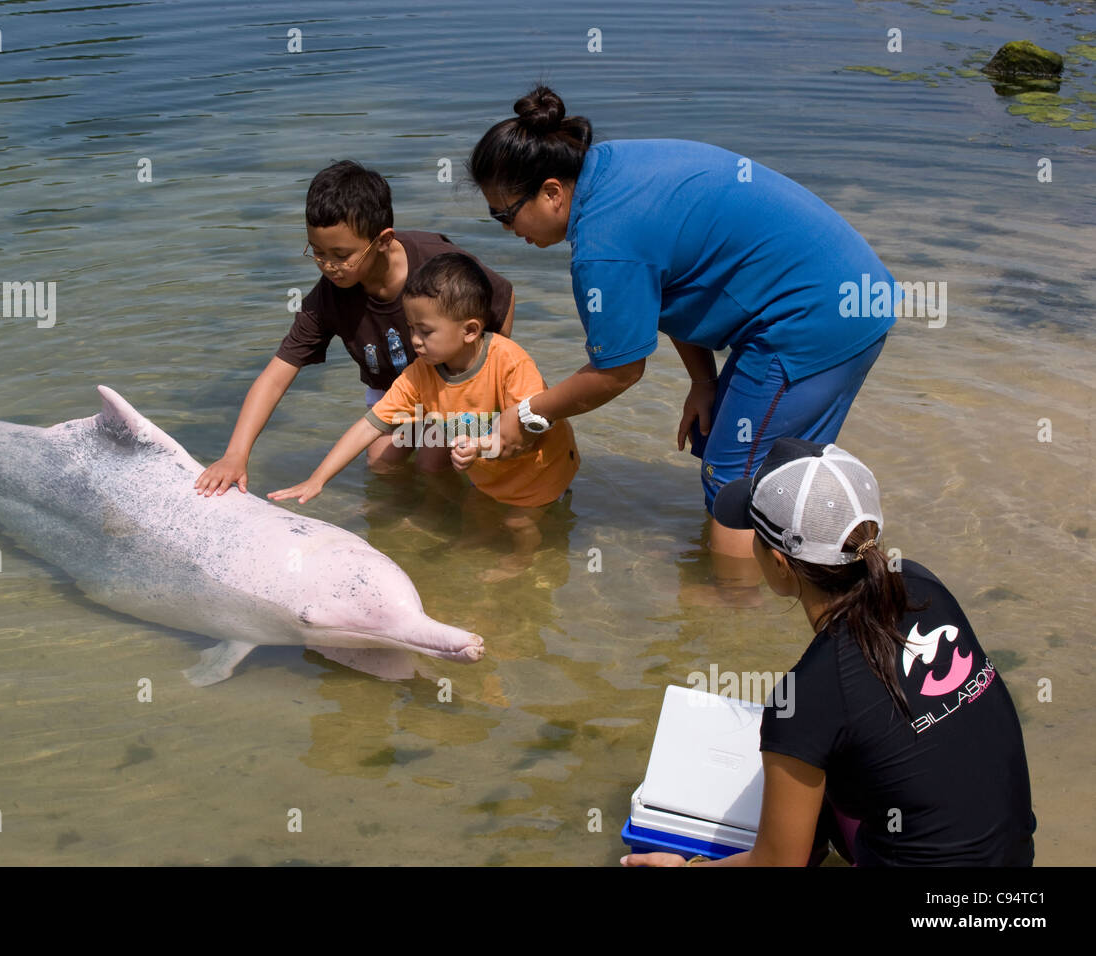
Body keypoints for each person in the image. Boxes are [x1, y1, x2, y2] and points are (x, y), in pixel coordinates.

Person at [468, 85, 901, 567]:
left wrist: (528, 415)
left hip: (810, 319)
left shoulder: (603, 246)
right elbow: (674, 275)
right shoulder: (607, 168)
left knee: (734, 482)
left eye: (505, 215)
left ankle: (730, 619)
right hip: (848, 293)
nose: (508, 231)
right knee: (775, 466)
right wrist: (702, 380)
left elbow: (619, 372)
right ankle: (826, 570)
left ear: (552, 192)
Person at [622, 439, 1036, 866]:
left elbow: (776, 866)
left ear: (780, 565)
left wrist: (686, 867)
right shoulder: (919, 583)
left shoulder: (806, 697)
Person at [194, 160, 515, 496]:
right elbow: (276, 375)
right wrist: (235, 454)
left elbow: (502, 297)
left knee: (432, 463)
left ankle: (451, 518)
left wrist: (484, 385)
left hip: (452, 386)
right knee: (380, 463)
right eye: (317, 253)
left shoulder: (437, 266)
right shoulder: (328, 298)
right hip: (395, 391)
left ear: (382, 240)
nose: (329, 266)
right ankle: (407, 528)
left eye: (341, 255)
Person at [269, 253, 579, 580]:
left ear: (470, 330)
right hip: (491, 473)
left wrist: (480, 446)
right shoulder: (421, 374)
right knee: (476, 509)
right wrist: (318, 478)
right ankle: (477, 540)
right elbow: (368, 426)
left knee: (519, 523)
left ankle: (522, 560)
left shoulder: (509, 362)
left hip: (542, 468)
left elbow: (530, 427)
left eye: (426, 331)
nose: (414, 340)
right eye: (411, 327)